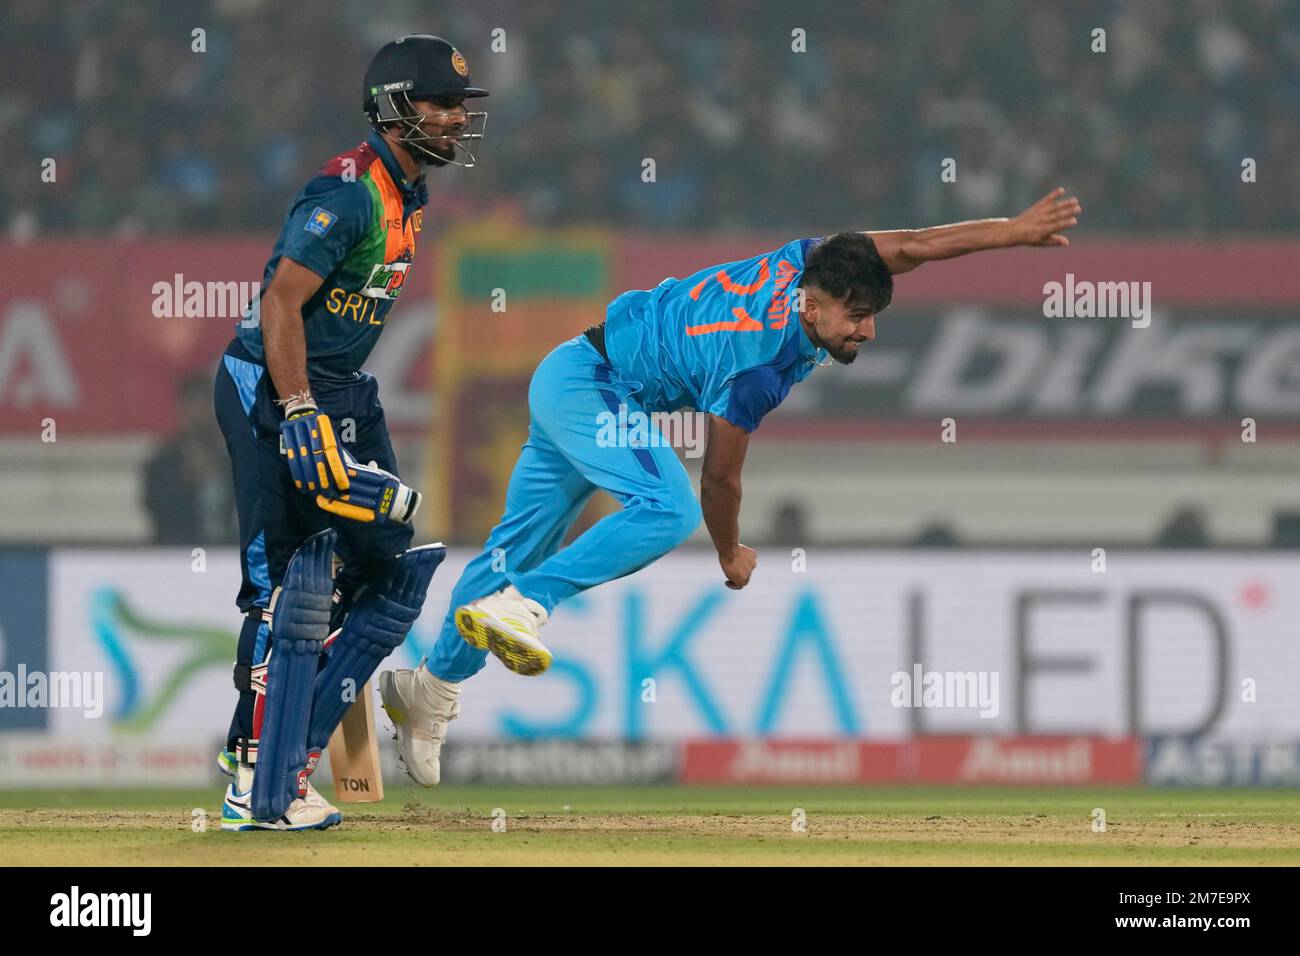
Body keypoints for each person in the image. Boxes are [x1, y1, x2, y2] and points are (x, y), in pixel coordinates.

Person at [381, 189, 1084, 785]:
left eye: (873, 315)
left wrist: (1011, 233)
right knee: (667, 508)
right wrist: (729, 554)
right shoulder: (760, 364)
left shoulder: (812, 259)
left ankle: (429, 688)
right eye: (855, 317)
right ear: (811, 306)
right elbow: (720, 480)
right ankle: (531, 604)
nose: (867, 330)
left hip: (569, 374)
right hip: (595, 389)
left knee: (511, 550)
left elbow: (919, 245)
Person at [211, 35, 487, 830]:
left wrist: (329, 404)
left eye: (461, 108)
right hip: (269, 388)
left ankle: (300, 747)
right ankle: (252, 780)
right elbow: (279, 304)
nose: (455, 122)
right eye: (441, 105)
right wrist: (298, 410)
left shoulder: (413, 192)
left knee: (387, 563)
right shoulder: (348, 191)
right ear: (396, 107)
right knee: (279, 591)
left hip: (341, 393)